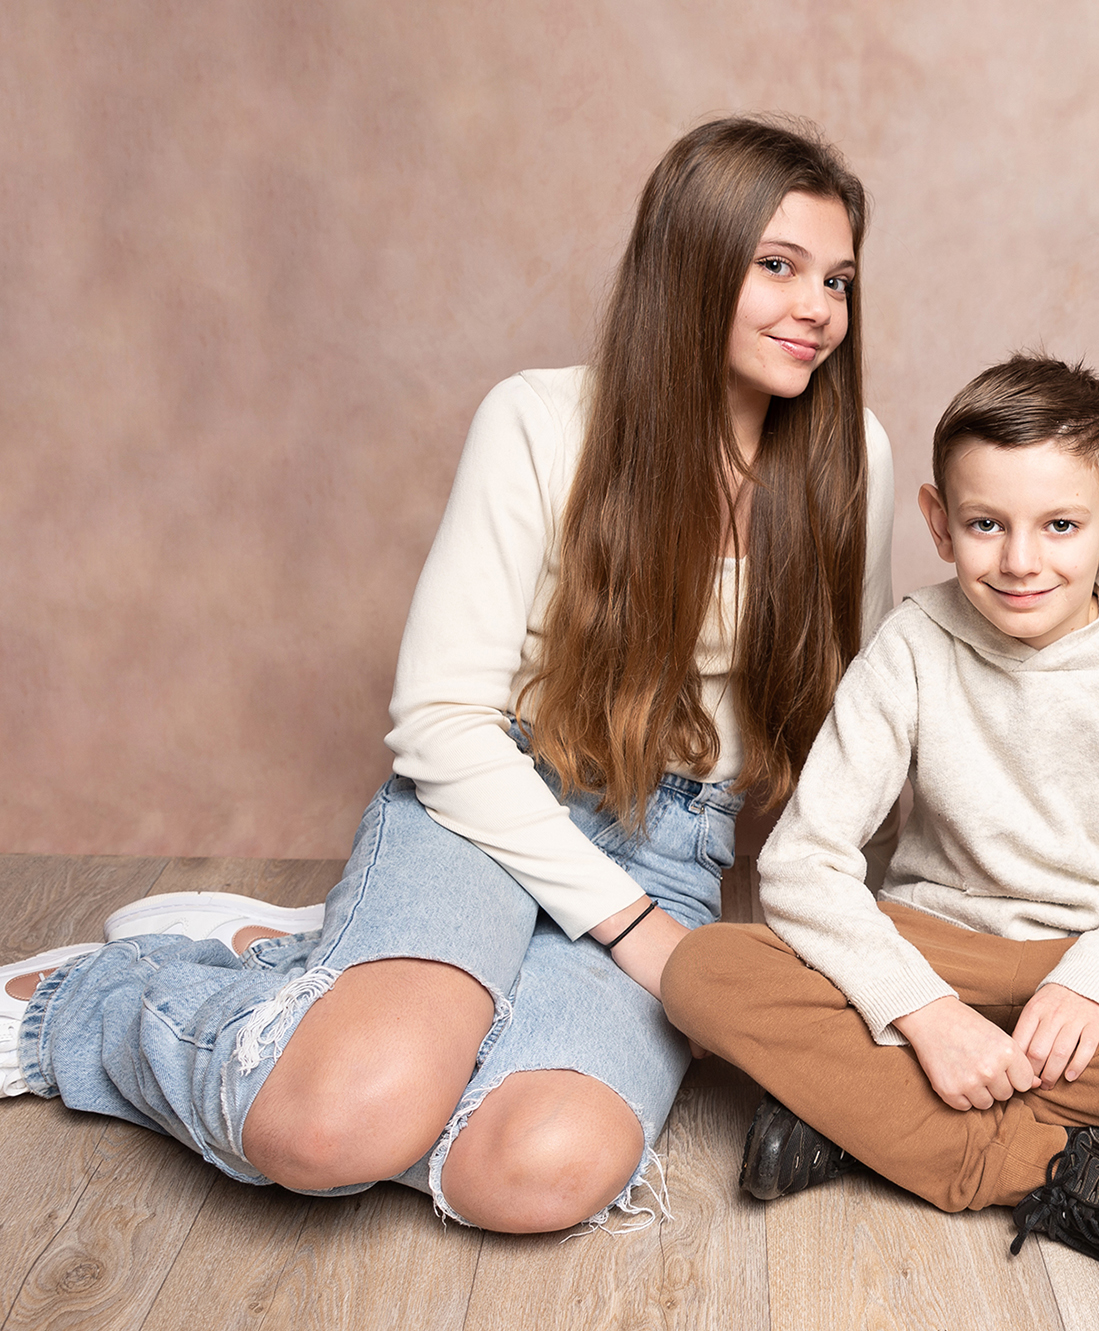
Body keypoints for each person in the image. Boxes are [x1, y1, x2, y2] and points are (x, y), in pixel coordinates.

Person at [0, 116, 896, 1235]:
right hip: (489, 806)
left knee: (532, 1174)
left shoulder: (853, 450)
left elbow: (853, 730)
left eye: (838, 278)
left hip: (678, 850)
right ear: (689, 261)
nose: (817, 307)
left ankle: (312, 970)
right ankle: (84, 1004)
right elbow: (439, 721)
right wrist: (626, 931)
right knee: (334, 1130)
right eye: (778, 266)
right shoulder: (538, 420)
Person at [662, 356, 1099, 1331]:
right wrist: (924, 1015)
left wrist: (1090, 983)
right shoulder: (914, 647)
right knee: (702, 968)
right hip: (934, 941)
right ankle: (1070, 1166)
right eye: (985, 524)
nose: (1019, 560)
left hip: (1098, 956)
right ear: (938, 521)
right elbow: (801, 861)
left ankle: (868, 1123)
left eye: (1060, 527)